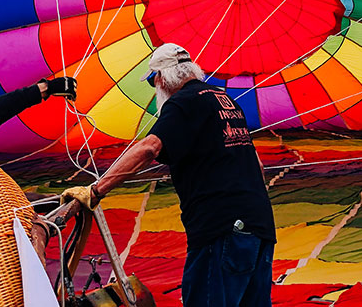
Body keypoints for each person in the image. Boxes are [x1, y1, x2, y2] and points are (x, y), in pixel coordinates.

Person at [62, 43, 275, 307]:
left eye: (152, 81)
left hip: (221, 230)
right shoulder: (225, 100)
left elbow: (149, 147)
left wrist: (95, 191)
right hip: (261, 227)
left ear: (161, 78)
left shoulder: (182, 102)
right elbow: (257, 165)